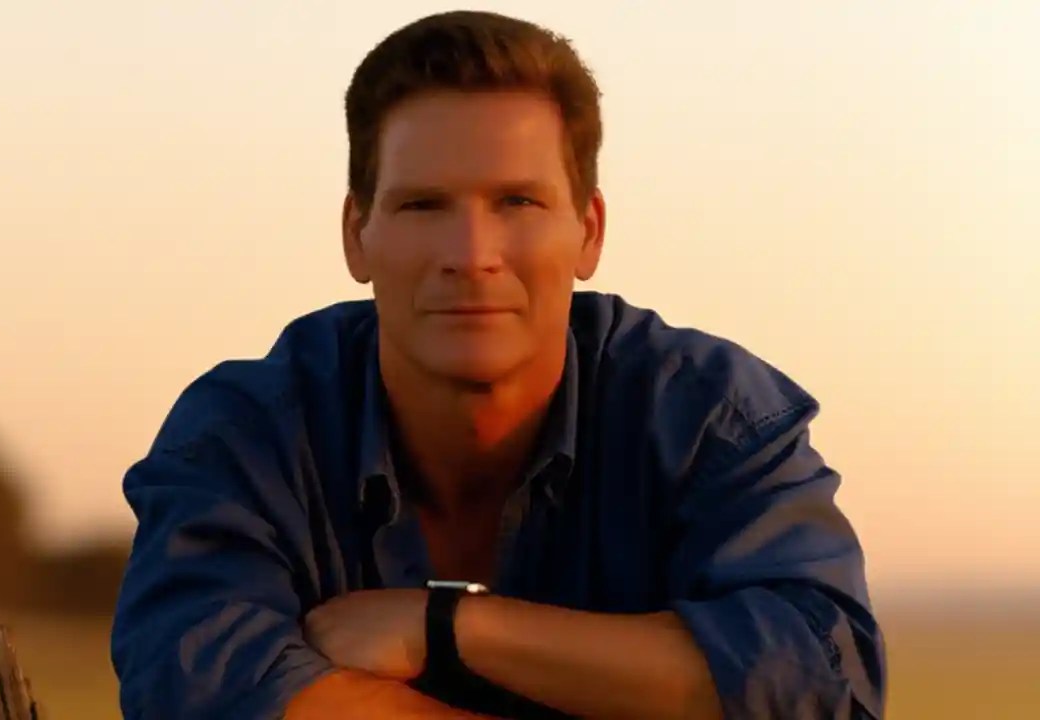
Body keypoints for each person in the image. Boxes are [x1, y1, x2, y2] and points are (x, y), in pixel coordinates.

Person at [110, 10, 886, 719]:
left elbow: (821, 680)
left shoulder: (707, 417)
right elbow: (198, 687)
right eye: (423, 205)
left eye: (517, 202)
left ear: (588, 232)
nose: (471, 255)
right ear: (356, 234)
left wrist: (447, 626)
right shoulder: (246, 435)